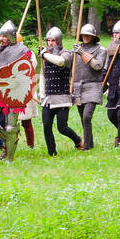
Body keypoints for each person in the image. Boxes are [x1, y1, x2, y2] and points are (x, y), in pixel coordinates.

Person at [0, 20, 31, 161]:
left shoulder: (23, 50)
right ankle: (9, 140)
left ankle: (10, 158)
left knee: (11, 127)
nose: (1, 39)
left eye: (5, 36)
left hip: (15, 92)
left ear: (12, 36)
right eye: (0, 36)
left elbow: (28, 69)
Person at [38, 27, 84, 156]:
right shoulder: (45, 55)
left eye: (53, 40)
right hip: (48, 97)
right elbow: (43, 75)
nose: (50, 43)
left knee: (62, 127)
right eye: (48, 40)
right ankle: (52, 153)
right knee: (46, 126)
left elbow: (60, 61)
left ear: (59, 41)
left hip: (62, 97)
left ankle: (78, 140)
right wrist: (42, 94)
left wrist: (44, 54)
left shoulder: (66, 53)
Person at [70, 24, 107, 150]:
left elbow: (97, 66)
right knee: (83, 118)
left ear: (93, 37)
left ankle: (86, 146)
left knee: (87, 116)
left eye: (88, 35)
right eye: (84, 35)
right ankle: (89, 144)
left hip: (93, 86)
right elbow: (65, 63)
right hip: (78, 87)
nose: (85, 37)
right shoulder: (75, 49)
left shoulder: (101, 50)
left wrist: (82, 53)